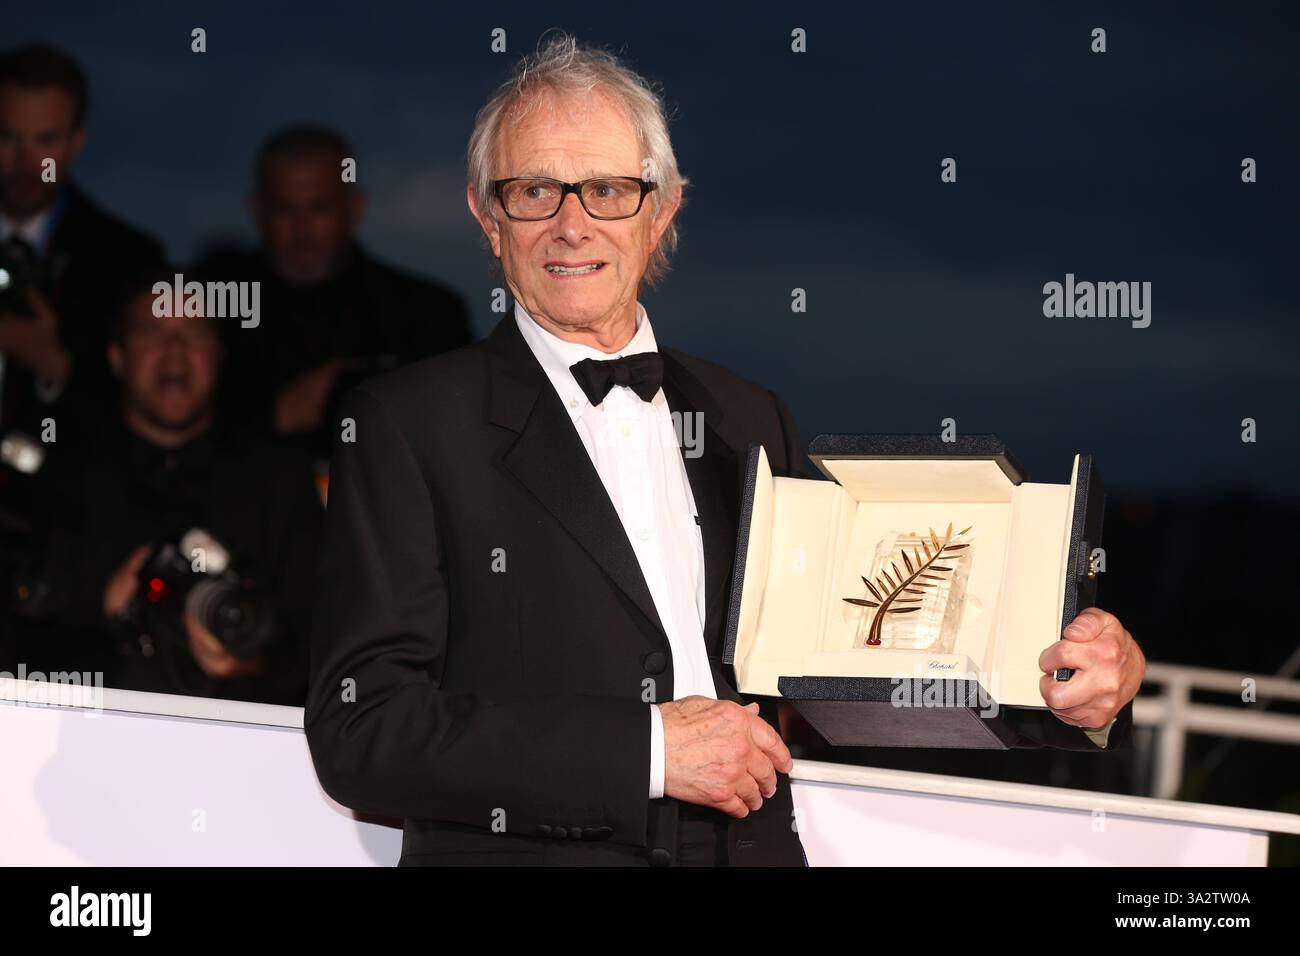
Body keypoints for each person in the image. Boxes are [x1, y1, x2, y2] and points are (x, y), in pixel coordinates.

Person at [305, 35, 1145, 867]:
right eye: (534, 191)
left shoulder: (746, 417)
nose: (571, 224)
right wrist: (649, 753)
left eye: (606, 189)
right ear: (488, 219)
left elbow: (840, 677)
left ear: (661, 210)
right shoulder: (407, 425)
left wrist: (1064, 690)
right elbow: (363, 729)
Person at [17, 269, 320, 705]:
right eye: (152, 331)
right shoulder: (60, 473)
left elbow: (323, 631)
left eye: (194, 332)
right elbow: (20, 634)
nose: (174, 351)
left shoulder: (277, 475)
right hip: (87, 738)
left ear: (219, 354)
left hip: (248, 743)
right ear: (117, 356)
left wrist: (250, 660)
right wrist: (105, 613)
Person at [202, 125, 472, 462]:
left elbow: (464, 443)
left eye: (319, 209)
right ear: (258, 212)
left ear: (354, 208)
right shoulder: (209, 313)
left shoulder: (428, 315)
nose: (302, 231)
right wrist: (273, 417)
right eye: (285, 210)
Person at [0, 44, 164, 446]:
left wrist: (53, 364)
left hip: (60, 500)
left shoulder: (125, 260)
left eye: (46, 140)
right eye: (7, 137)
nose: (26, 162)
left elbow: (151, 412)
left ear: (77, 143)